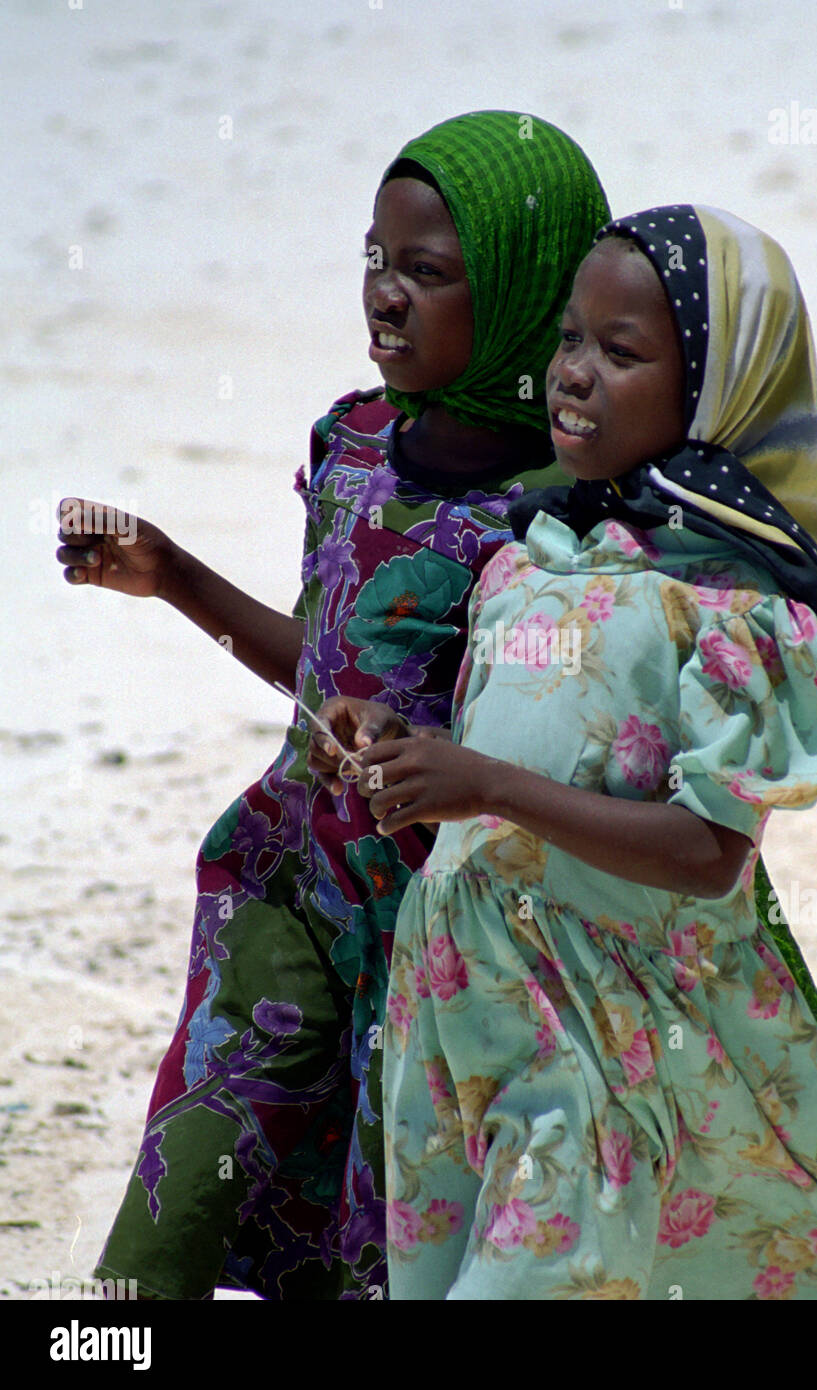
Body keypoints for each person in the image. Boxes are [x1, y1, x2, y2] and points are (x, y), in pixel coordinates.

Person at [330, 204, 817, 1299]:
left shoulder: (724, 606)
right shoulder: (525, 559)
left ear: (716, 392)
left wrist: (488, 784)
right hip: (462, 1002)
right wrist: (416, 755)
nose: (573, 373)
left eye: (618, 352)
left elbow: (708, 850)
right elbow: (509, 760)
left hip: (603, 1025)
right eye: (569, 339)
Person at [55, 110, 610, 1300]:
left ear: (521, 291)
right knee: (183, 1181)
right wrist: (175, 579)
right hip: (294, 875)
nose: (384, 296)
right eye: (374, 259)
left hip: (446, 935)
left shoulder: (563, 520)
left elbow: (574, 745)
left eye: (426, 271)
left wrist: (435, 755)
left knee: (394, 1230)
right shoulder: (351, 445)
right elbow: (330, 673)